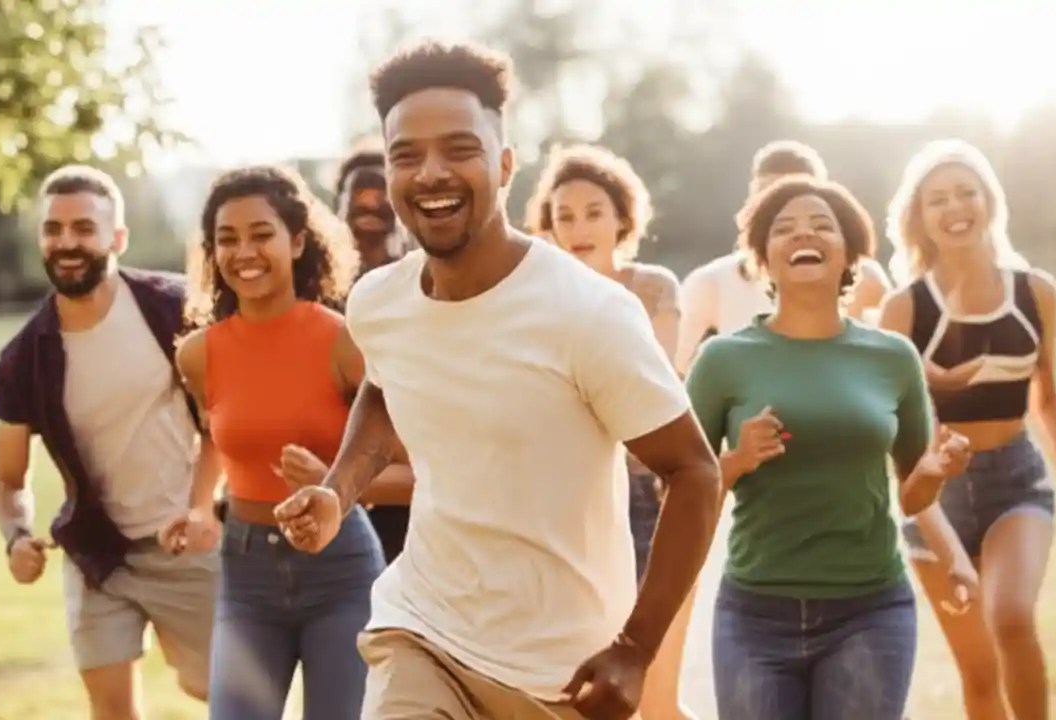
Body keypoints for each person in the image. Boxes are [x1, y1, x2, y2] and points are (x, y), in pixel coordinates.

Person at [274, 40, 722, 720]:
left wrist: (636, 647)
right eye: (406, 155)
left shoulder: (587, 312)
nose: (430, 174)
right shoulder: (378, 302)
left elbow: (693, 471)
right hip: (422, 628)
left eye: (459, 149)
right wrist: (340, 490)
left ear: (505, 164)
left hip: (560, 672)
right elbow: (386, 382)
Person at [685, 175, 977, 720]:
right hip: (754, 616)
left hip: (869, 611)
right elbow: (681, 490)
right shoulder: (722, 360)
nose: (805, 235)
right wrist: (738, 460)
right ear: (763, 260)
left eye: (823, 226)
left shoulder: (893, 357)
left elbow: (912, 496)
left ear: (850, 258)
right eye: (785, 229)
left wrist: (935, 471)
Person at [879, 139, 1056, 720]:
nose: (955, 206)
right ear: (919, 217)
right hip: (936, 500)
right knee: (979, 674)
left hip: (1017, 479)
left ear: (990, 201)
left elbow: (1048, 397)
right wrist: (932, 467)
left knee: (1011, 617)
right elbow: (898, 429)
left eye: (968, 192)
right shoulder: (904, 308)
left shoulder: (1035, 291)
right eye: (937, 198)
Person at [160, 165, 412, 719]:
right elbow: (217, 435)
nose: (243, 251)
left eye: (261, 234)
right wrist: (201, 506)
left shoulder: (344, 343)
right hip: (246, 574)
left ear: (298, 241)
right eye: (227, 239)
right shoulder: (199, 355)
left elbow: (417, 473)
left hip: (340, 570)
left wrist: (333, 484)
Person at [0, 165, 215, 719]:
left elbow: (221, 424)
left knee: (219, 693)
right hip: (98, 555)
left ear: (117, 238)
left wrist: (204, 507)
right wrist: (15, 534)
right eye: (54, 228)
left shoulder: (174, 308)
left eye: (84, 228)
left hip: (186, 543)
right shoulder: (23, 359)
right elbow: (8, 480)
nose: (67, 242)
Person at [524, 142, 694, 720]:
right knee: (578, 691)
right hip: (568, 507)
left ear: (622, 217)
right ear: (546, 228)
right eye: (563, 215)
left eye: (594, 211)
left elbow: (659, 386)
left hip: (652, 496)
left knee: (658, 697)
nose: (579, 227)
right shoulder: (537, 300)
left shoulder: (653, 288)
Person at [676, 140, 892, 373]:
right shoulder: (711, 284)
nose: (783, 210)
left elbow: (889, 368)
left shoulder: (866, 278)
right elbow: (682, 374)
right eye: (769, 199)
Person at [333, 142, 415, 564]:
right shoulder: (320, 301)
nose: (370, 207)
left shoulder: (421, 288)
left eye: (381, 197)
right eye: (357, 199)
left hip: (411, 516)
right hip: (337, 515)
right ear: (337, 208)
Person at [334, 140, 411, 280]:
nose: (370, 204)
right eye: (358, 190)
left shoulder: (415, 278)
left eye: (382, 195)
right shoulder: (319, 283)